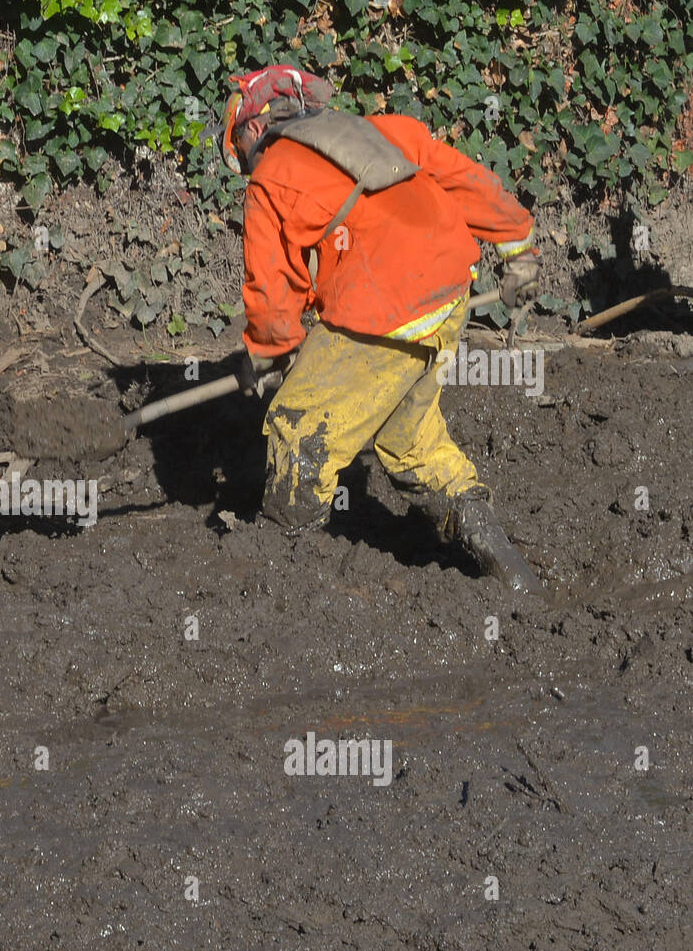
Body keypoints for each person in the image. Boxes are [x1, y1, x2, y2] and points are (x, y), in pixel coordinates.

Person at [221, 64, 543, 591]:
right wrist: (518, 247)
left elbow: (275, 291)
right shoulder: (387, 129)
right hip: (449, 290)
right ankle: (509, 568)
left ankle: (279, 582)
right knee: (410, 441)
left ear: (254, 128)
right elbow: (464, 181)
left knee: (296, 431)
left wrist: (267, 356)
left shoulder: (270, 177)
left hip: (384, 310)